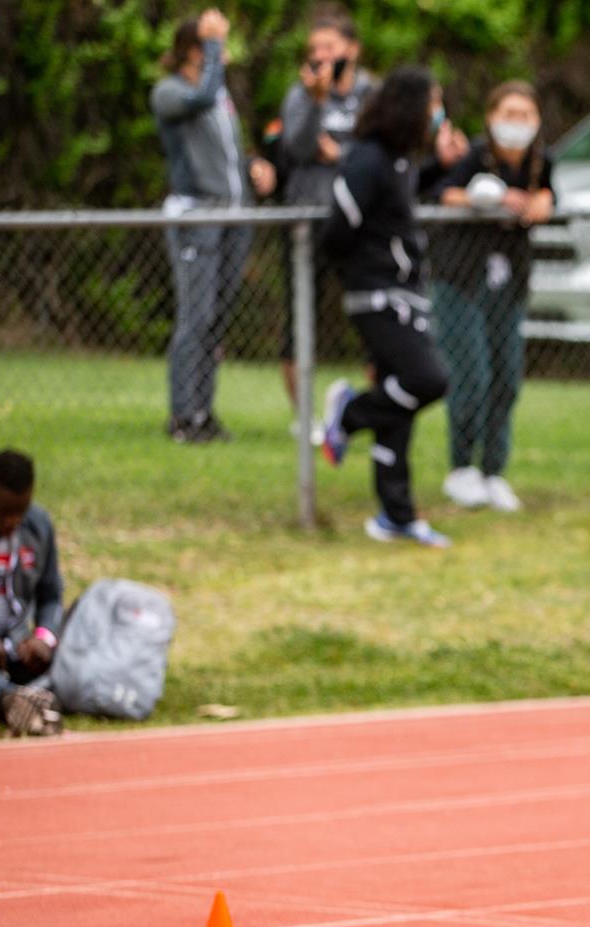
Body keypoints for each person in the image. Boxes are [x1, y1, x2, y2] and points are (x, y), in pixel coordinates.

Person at [319, 67, 453, 548]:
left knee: (401, 409)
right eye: (433, 104)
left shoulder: (400, 161)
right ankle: (349, 413)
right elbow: (337, 231)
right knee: (428, 380)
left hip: (406, 294)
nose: (438, 114)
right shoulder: (368, 159)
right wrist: (368, 271)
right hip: (378, 296)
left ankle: (396, 515)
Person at [427, 80, 555, 513]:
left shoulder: (541, 162)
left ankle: (493, 471)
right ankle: (461, 467)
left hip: (508, 282)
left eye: (525, 115)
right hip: (460, 278)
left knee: (506, 376)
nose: (516, 124)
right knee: (472, 375)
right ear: (491, 117)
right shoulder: (473, 156)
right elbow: (444, 192)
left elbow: (547, 198)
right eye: (508, 114)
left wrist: (540, 203)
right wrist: (493, 199)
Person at [151, 8, 278, 445]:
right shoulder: (170, 92)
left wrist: (253, 167)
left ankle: (204, 413)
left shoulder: (218, 96)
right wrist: (211, 45)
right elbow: (200, 99)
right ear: (192, 51)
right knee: (196, 317)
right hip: (195, 216)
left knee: (217, 320)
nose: (222, 56)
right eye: (211, 47)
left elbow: (224, 154)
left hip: (232, 216)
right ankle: (182, 416)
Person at [275, 8, 375, 424]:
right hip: (307, 221)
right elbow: (295, 149)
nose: (320, 55)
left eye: (329, 47)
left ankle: (375, 409)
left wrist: (342, 154)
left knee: (374, 315)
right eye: (314, 48)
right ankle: (307, 419)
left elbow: (383, 153)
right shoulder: (301, 94)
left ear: (352, 49)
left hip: (359, 222)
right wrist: (316, 103)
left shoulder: (374, 94)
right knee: (300, 321)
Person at [0, 451, 65, 738]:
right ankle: (11, 699)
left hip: (18, 649)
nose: (11, 520)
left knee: (78, 653)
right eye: (3, 511)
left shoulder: (38, 525)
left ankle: (18, 699)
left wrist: (43, 638)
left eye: (19, 512)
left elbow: (51, 593)